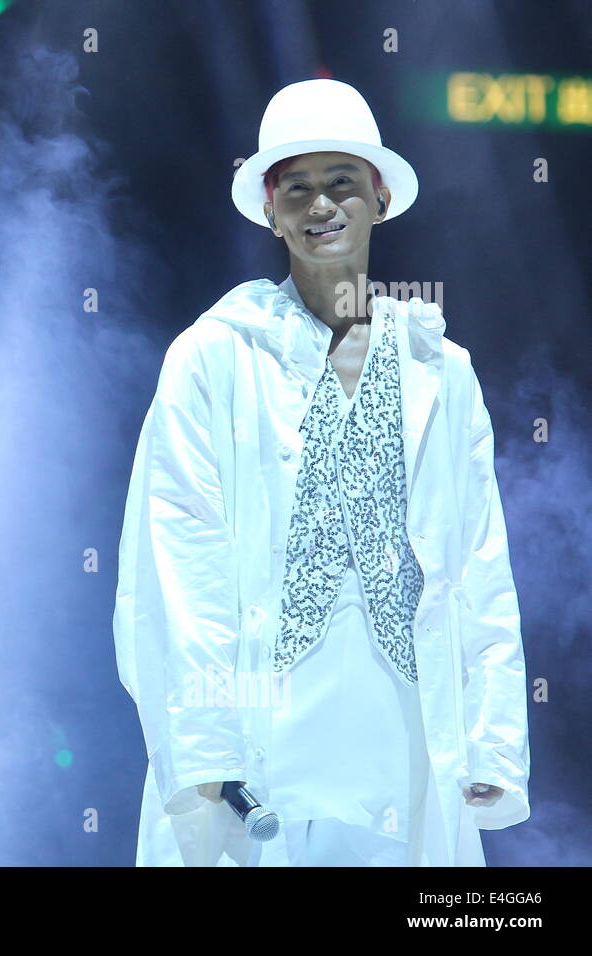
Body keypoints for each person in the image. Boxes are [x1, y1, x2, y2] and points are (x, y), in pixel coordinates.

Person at [112, 79, 531, 866]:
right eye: (296, 187)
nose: (320, 204)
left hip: (402, 750)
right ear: (270, 210)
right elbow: (177, 558)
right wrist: (209, 754)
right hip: (262, 764)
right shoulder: (213, 357)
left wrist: (493, 743)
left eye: (341, 181)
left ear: (378, 195)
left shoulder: (442, 373)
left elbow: (478, 564)